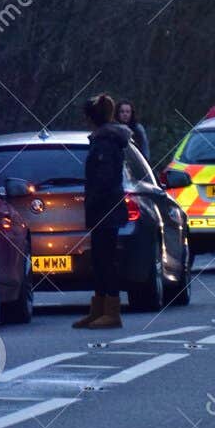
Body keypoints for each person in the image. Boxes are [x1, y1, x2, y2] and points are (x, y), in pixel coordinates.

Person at [72, 93, 131, 330]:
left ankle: (111, 312)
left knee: (106, 260)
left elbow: (104, 179)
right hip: (103, 208)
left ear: (91, 118)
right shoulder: (102, 140)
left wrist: (94, 200)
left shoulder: (105, 143)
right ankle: (98, 309)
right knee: (99, 259)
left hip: (106, 208)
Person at [115, 98, 149, 162]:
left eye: (127, 112)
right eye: (122, 111)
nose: (125, 114)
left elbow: (144, 151)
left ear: (131, 113)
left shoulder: (138, 129)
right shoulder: (112, 128)